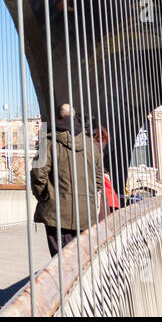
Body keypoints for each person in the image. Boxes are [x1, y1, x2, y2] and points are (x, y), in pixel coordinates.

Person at [30, 103, 103, 257]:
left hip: (57, 214)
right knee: (81, 260)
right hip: (86, 215)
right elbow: (98, 179)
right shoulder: (91, 145)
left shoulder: (48, 142)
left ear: (56, 118)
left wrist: (44, 197)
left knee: (61, 263)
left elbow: (37, 174)